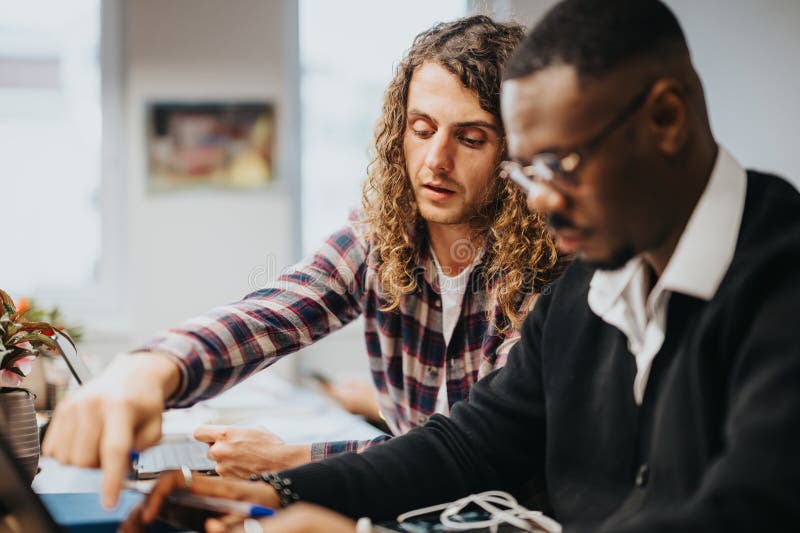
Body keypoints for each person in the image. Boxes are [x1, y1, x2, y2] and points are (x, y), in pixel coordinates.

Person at [123, 0, 800, 531]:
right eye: (528, 171)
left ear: (667, 118)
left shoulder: (777, 279)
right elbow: (468, 446)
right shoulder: (597, 280)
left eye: (559, 165)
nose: (542, 202)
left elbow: (742, 514)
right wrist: (274, 491)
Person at [42, 15, 562, 508]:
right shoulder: (381, 236)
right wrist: (150, 369)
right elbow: (279, 309)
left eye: (470, 138)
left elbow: (474, 455)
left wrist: (296, 464)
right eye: (422, 129)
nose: (436, 160)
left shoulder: (550, 269)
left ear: (518, 150)